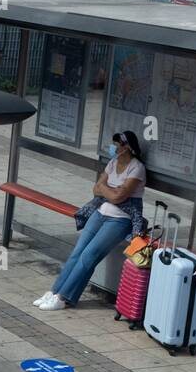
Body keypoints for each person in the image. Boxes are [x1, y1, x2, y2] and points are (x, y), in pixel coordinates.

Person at [34, 130, 148, 311]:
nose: (113, 148)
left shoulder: (136, 168)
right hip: (99, 213)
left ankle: (64, 297)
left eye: (117, 145)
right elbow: (96, 189)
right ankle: (55, 291)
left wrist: (107, 189)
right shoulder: (112, 163)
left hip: (119, 220)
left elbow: (119, 197)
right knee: (77, 252)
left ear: (126, 148)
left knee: (89, 256)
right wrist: (109, 189)